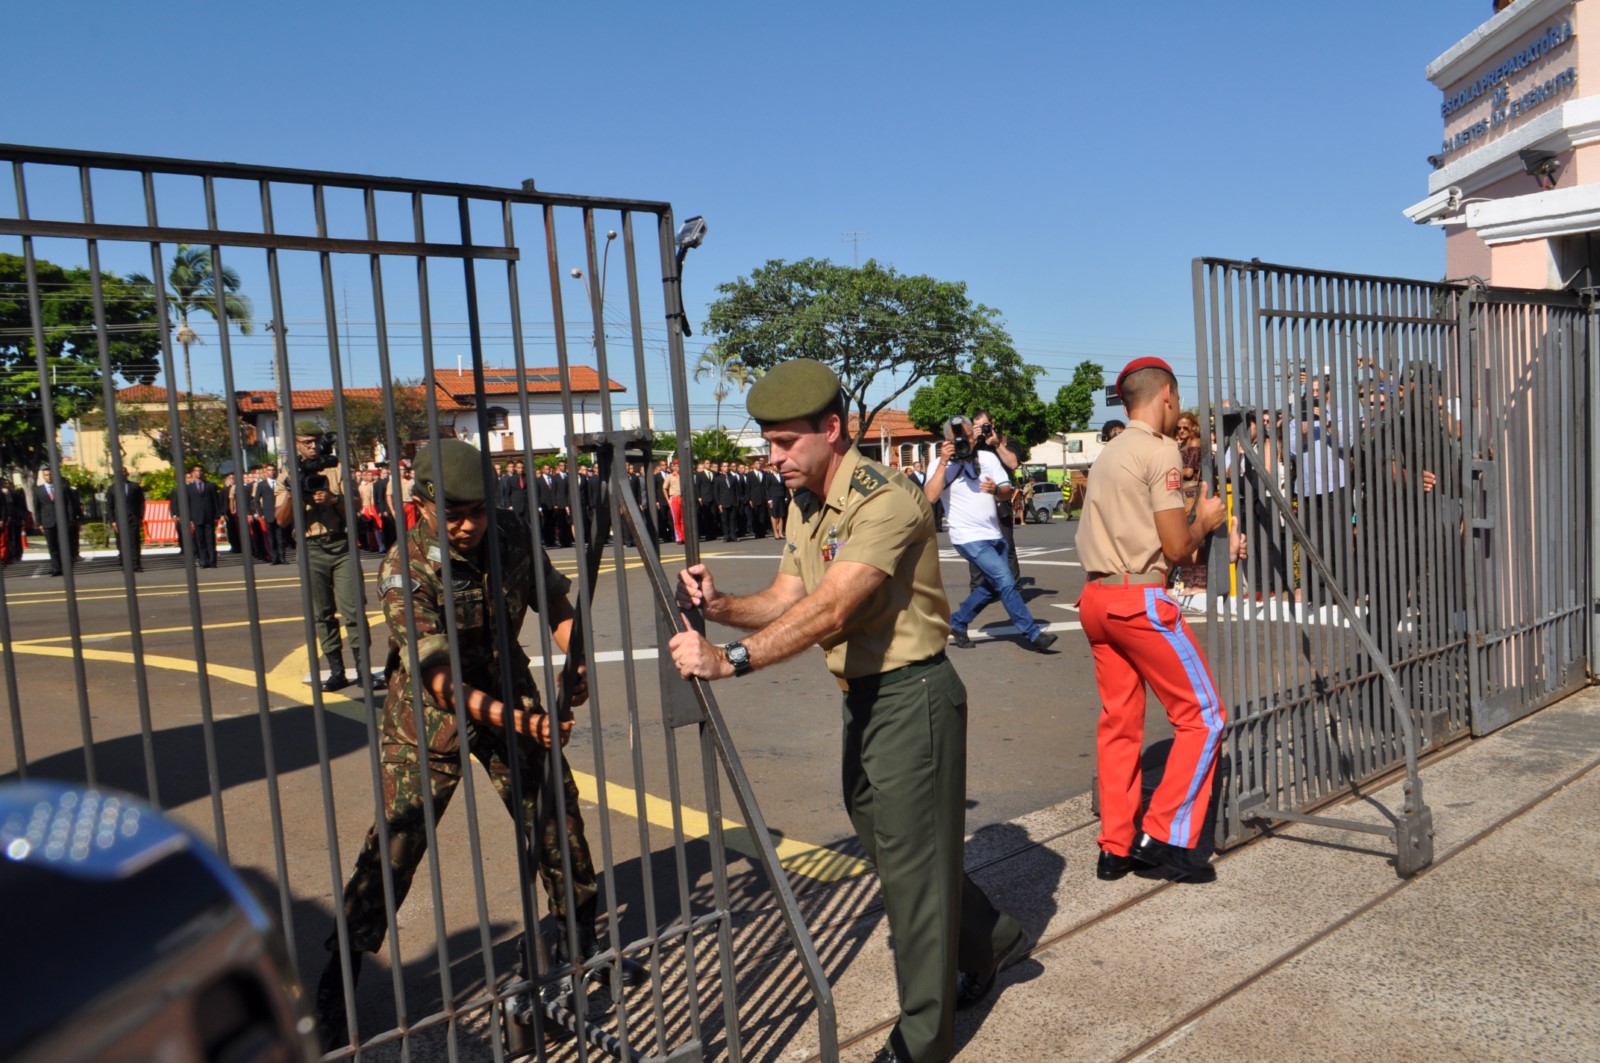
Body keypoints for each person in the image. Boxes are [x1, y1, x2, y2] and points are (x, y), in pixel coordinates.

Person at [668, 361, 1028, 1063]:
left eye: (784, 442)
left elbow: (833, 604)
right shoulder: (808, 502)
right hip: (861, 701)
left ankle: (921, 1040)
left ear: (830, 429)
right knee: (901, 853)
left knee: (911, 881)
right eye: (768, 444)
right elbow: (786, 595)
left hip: (911, 696)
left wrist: (729, 661)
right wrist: (719, 609)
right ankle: (991, 935)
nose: (771, 458)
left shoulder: (884, 499)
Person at [314, 439, 639, 1050]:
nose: (469, 525)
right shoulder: (404, 569)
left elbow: (555, 601)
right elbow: (437, 677)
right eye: (454, 513)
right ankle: (338, 979)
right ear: (422, 506)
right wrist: (522, 723)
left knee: (557, 817)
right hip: (429, 713)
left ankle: (577, 943)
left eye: (479, 511)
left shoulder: (511, 534)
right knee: (397, 846)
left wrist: (578, 657)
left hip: (505, 686)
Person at [1076, 356, 1229, 884]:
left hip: (1096, 599)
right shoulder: (1159, 449)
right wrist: (1204, 521)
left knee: (1119, 725)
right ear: (1166, 394)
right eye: (1178, 399)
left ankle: (1114, 848)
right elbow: (1176, 547)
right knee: (1205, 716)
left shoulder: (1110, 451)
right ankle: (1163, 836)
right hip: (1139, 600)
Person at [923, 417, 1057, 654]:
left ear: (975, 437)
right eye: (960, 439)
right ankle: (1032, 634)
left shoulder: (987, 459)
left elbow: (1007, 493)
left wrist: (996, 490)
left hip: (995, 534)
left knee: (994, 586)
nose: (966, 442)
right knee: (1005, 580)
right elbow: (930, 497)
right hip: (966, 536)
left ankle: (958, 622)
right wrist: (944, 462)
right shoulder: (938, 464)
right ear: (948, 441)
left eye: (969, 437)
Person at [276, 421, 366, 691]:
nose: (313, 447)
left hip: (341, 545)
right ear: (296, 444)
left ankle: (362, 670)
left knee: (353, 610)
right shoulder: (286, 476)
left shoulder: (337, 469)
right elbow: (280, 520)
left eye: (316, 441)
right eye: (307, 442)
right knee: (322, 613)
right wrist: (295, 492)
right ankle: (336, 671)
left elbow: (358, 505)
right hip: (310, 547)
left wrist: (333, 499)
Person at [33, 465, 83, 577]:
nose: (48, 477)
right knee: (52, 546)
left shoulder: (62, 487)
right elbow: (37, 507)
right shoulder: (37, 490)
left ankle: (66, 566)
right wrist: (39, 523)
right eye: (46, 475)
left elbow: (69, 504)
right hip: (48, 521)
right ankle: (56, 568)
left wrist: (70, 519)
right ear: (43, 476)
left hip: (62, 521)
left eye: (50, 475)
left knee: (63, 544)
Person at [170, 465, 219, 569]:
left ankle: (212, 560)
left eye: (201, 471)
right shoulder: (188, 488)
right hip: (196, 517)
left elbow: (215, 501)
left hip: (209, 516)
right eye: (197, 471)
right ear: (192, 473)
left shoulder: (210, 486)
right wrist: (189, 519)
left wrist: (216, 516)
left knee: (210, 539)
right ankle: (203, 561)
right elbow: (187, 504)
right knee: (200, 540)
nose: (199, 473)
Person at [112, 467, 146, 572]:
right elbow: (110, 506)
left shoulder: (134, 486)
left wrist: (140, 517)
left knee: (134, 541)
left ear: (127, 473)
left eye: (124, 472)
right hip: (119, 519)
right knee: (122, 542)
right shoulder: (112, 488)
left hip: (133, 517)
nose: (122, 474)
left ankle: (136, 563)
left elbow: (141, 503)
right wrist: (112, 521)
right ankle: (126, 564)